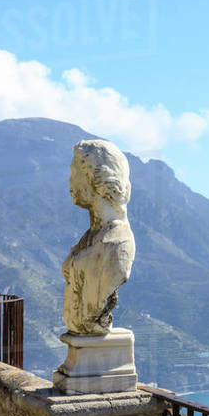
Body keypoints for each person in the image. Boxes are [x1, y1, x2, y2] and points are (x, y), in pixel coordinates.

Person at [62, 139, 136, 336]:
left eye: (73, 174)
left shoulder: (116, 245)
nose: (69, 181)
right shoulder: (92, 237)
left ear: (95, 176)